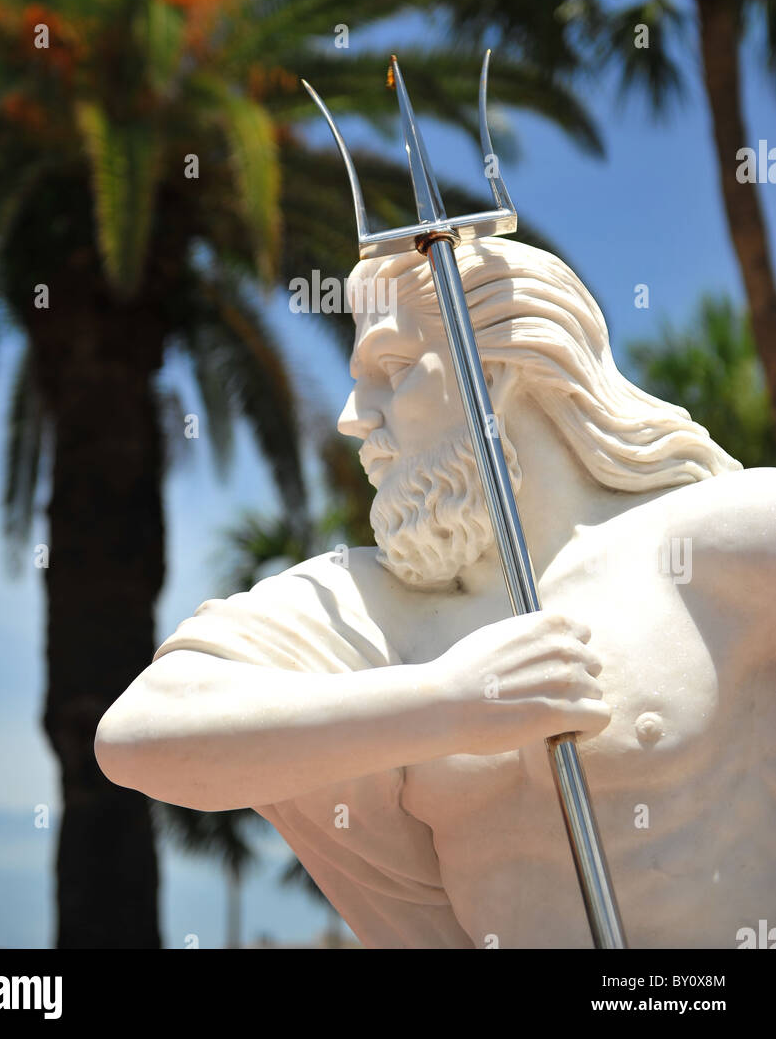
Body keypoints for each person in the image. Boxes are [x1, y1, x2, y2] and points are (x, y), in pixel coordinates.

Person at [96, 238, 776, 949]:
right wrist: (449, 702)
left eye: (390, 369)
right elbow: (139, 737)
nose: (353, 415)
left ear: (498, 372)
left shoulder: (710, 544)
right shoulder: (373, 609)